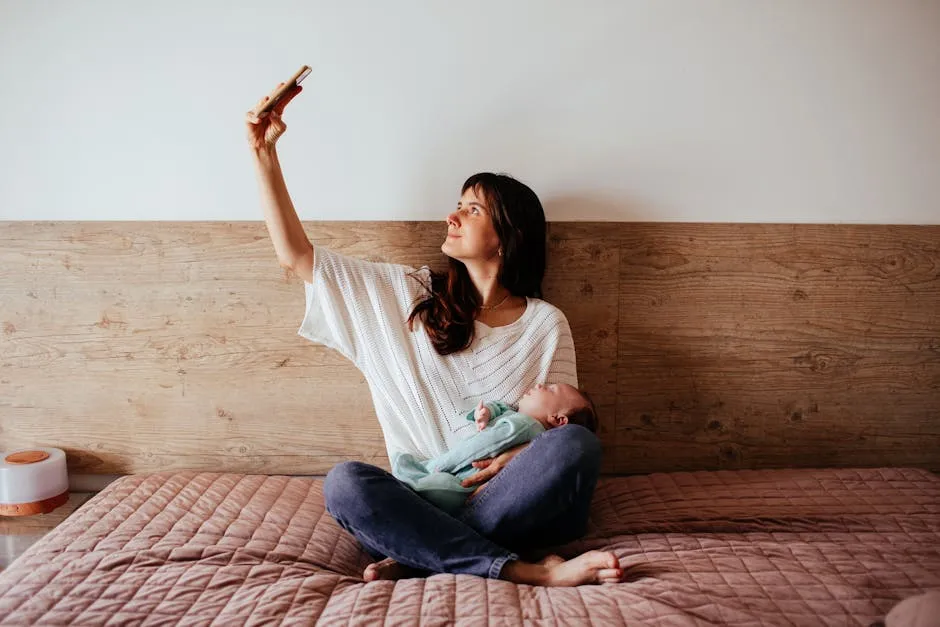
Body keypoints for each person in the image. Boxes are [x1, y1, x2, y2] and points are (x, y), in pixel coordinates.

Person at [245, 81, 623, 586]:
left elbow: (562, 428)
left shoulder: (545, 323)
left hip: (511, 500)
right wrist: (263, 154)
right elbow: (298, 258)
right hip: (423, 496)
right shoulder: (405, 295)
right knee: (346, 484)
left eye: (473, 209)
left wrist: (516, 455)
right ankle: (526, 570)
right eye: (459, 204)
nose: (452, 215)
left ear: (508, 238)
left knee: (578, 448)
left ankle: (422, 553)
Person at [394, 382, 598, 514]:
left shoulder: (525, 425)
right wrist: (487, 412)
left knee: (435, 486)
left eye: (552, 389)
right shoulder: (520, 422)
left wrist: (433, 466)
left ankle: (411, 484)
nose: (540, 384)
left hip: (462, 482)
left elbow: (477, 448)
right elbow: (502, 407)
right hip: (469, 484)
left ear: (558, 419)